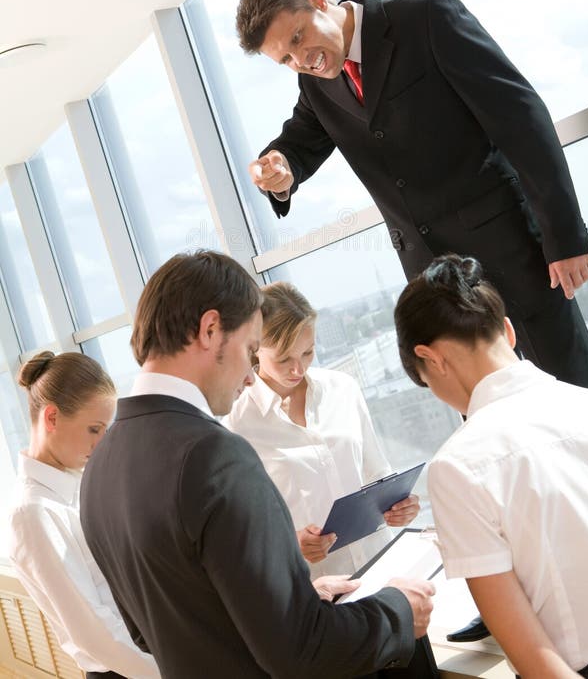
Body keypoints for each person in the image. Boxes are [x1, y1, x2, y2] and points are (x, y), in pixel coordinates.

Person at [79, 250, 436, 679]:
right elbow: (300, 650)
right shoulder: (214, 455)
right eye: (251, 351)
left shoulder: (97, 468)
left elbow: (146, 632)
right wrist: (398, 609)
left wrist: (293, 600)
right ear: (210, 330)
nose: (251, 377)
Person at [236, 0, 588, 391]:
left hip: (512, 255)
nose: (301, 60)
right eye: (285, 59)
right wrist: (279, 164)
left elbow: (522, 120)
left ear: (318, 0)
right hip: (434, 285)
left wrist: (565, 237)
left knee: (573, 393)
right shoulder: (315, 82)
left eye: (298, 38)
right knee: (483, 411)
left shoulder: (427, 18)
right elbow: (298, 141)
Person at [393, 253, 588, 679]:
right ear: (507, 330)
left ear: (431, 359)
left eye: (426, 382)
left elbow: (532, 657)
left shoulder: (457, 467)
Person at [224, 280, 420, 578]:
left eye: (307, 352)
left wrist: (401, 506)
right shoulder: (236, 423)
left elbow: (376, 472)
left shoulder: (343, 389)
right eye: (284, 359)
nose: (298, 369)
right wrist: (291, 543)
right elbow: (242, 527)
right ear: (256, 348)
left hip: (382, 564)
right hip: (317, 583)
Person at [8, 351, 160, 679]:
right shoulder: (33, 513)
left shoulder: (80, 486)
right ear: (51, 418)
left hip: (145, 655)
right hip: (127, 670)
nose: (102, 443)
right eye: (94, 429)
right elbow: (95, 634)